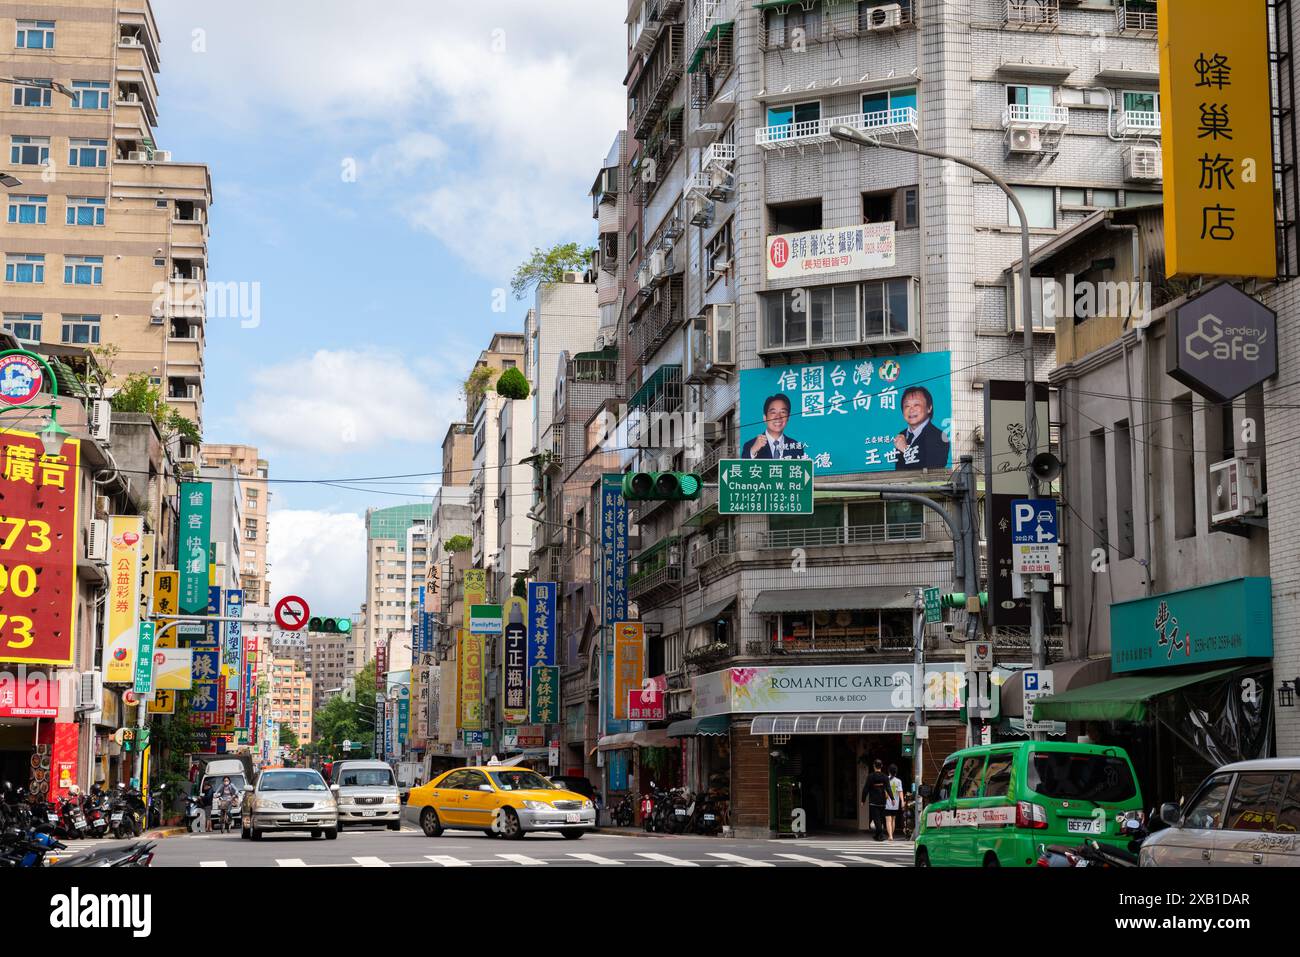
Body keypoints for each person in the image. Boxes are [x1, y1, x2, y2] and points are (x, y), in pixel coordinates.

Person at [893, 385, 950, 470]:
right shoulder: (901, 435)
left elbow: (933, 470)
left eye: (916, 405)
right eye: (907, 406)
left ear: (929, 408)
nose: (911, 410)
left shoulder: (940, 436)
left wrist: (906, 450)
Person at [741, 394, 807, 459]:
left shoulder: (796, 447)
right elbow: (743, 467)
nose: (778, 417)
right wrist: (753, 451)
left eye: (783, 412)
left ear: (788, 417)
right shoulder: (750, 445)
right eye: (773, 412)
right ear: (765, 418)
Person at [861, 758, 888, 840]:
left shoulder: (871, 776)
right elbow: (888, 788)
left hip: (873, 801)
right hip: (883, 801)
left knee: (876, 818)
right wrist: (892, 798)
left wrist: (863, 800)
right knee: (880, 818)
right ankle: (877, 835)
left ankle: (880, 834)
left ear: (874, 766)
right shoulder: (885, 777)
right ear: (882, 766)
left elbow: (865, 789)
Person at [885, 764, 904, 840]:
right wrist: (902, 801)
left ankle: (890, 836)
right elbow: (900, 792)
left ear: (889, 771)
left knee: (888, 820)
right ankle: (891, 835)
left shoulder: (885, 779)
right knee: (893, 819)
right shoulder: (898, 781)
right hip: (895, 804)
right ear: (896, 772)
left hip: (887, 803)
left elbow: (884, 791)